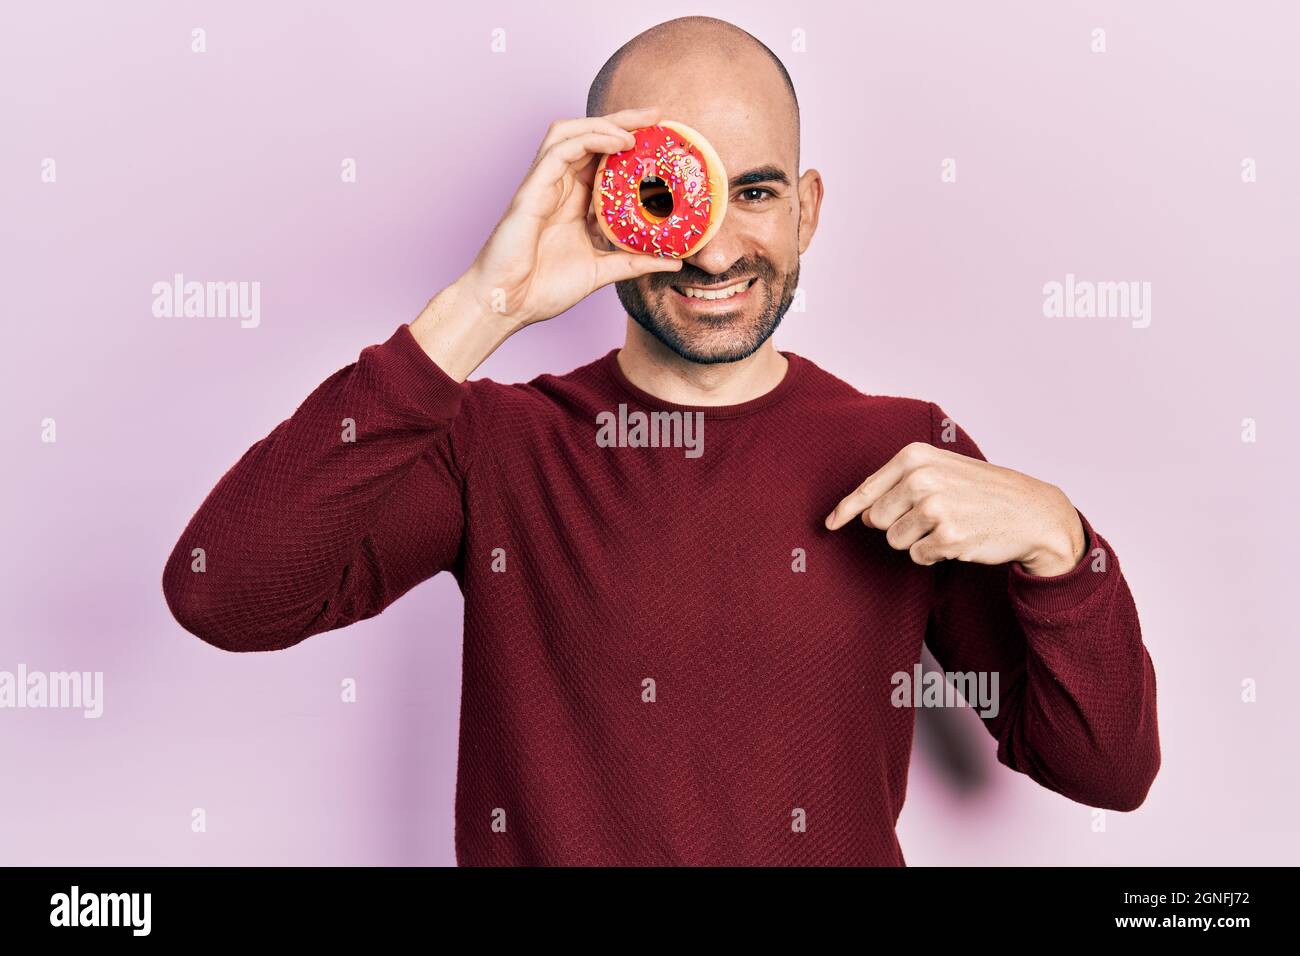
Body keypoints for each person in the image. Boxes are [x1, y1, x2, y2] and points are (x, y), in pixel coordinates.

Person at [162, 15, 1160, 865]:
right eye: (672, 198)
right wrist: (485, 303)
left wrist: (1062, 544)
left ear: (806, 211)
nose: (716, 248)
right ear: (605, 197)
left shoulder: (903, 452)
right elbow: (224, 589)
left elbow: (1103, 768)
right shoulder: (496, 443)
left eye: (756, 194)